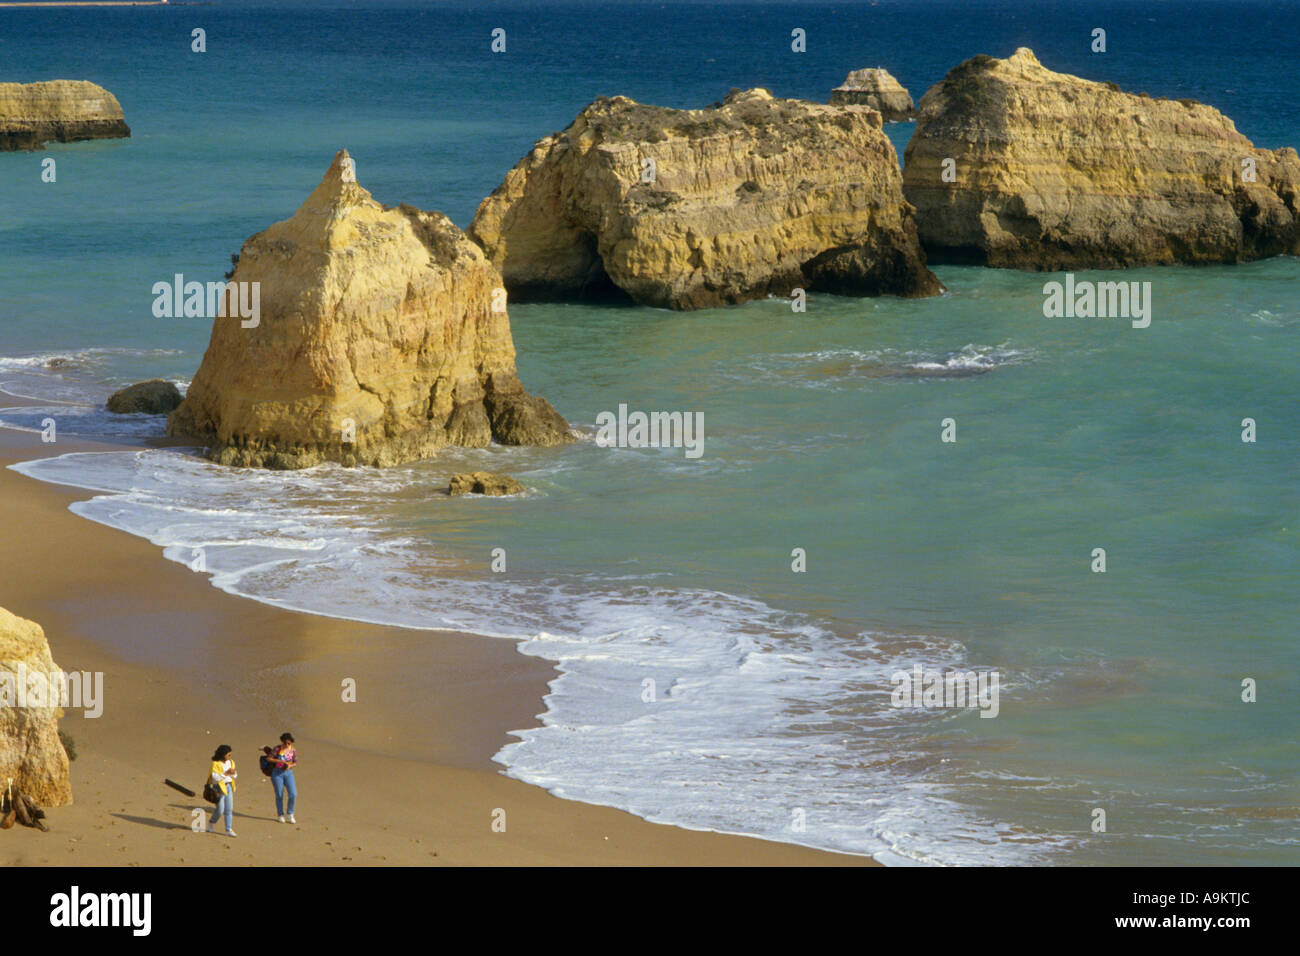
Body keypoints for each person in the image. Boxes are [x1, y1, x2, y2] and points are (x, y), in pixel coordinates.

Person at [207, 745, 237, 837]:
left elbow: (235, 776)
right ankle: (212, 822)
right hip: (218, 788)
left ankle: (228, 829)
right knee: (220, 809)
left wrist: (233, 773)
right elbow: (215, 778)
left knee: (229, 809)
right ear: (223, 754)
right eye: (228, 755)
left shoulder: (231, 762)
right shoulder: (215, 764)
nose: (230, 757)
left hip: (228, 787)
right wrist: (226, 773)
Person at [269, 732, 297, 824]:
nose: (287, 745)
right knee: (279, 794)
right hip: (277, 773)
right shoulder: (277, 749)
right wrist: (278, 760)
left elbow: (295, 762)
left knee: (293, 794)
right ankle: (280, 814)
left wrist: (290, 766)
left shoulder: (292, 750)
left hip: (288, 773)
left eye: (289, 743)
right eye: (285, 743)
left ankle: (290, 813)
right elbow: (269, 758)